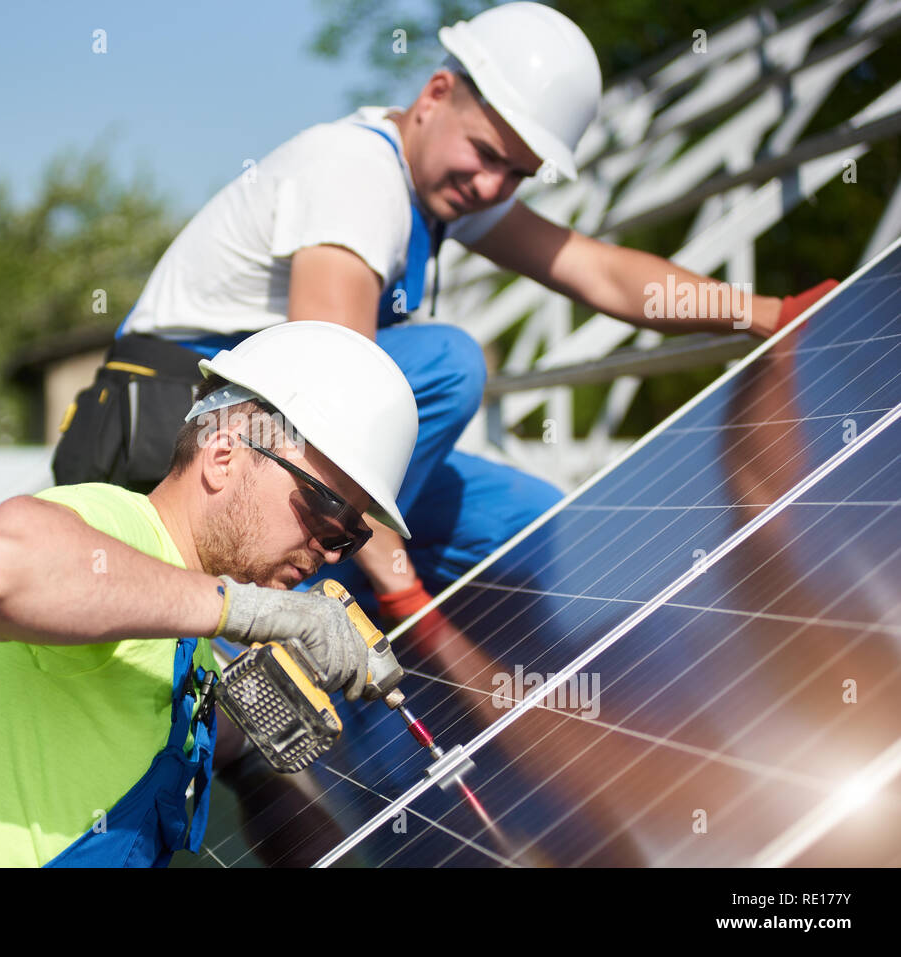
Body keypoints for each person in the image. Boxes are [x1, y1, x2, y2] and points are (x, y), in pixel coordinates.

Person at [55, 1, 838, 629]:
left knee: (537, 526)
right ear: (434, 95)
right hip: (184, 446)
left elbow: (596, 271)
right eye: (487, 154)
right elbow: (327, 396)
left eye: (517, 174)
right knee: (449, 363)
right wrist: (396, 586)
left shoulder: (444, 184)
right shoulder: (357, 174)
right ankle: (316, 609)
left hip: (273, 445)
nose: (493, 185)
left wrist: (766, 312)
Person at [0, 321, 420, 867]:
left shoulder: (187, 640)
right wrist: (260, 611)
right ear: (223, 457)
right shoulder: (107, 522)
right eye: (325, 510)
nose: (332, 550)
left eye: (353, 534)